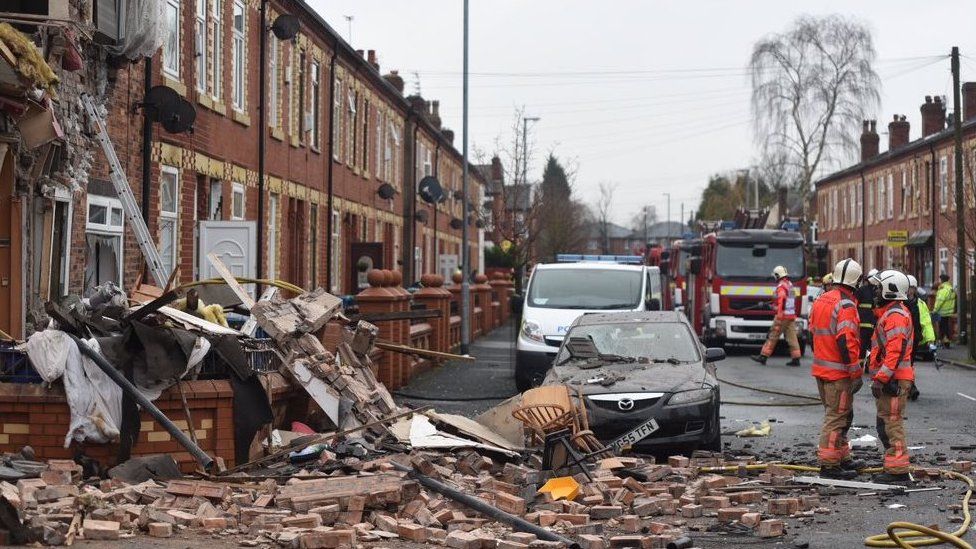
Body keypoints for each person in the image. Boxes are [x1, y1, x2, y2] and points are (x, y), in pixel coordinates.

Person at [810, 259, 864, 479]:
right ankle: (830, 465)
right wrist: (855, 372)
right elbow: (846, 341)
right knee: (836, 418)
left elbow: (813, 331)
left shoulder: (822, 299)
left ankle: (842, 457)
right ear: (856, 281)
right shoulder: (846, 305)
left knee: (841, 415)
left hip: (822, 370)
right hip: (838, 374)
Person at [867, 270, 916, 484]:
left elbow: (895, 352)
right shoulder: (891, 313)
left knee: (891, 425)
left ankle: (898, 471)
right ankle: (894, 465)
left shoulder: (895, 316)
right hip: (892, 378)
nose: (876, 291)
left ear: (890, 290)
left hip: (893, 380)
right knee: (885, 424)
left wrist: (881, 379)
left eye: (879, 288)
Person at [751, 266, 802, 367]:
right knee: (792, 337)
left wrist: (777, 312)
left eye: (775, 275)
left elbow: (782, 300)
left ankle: (763, 356)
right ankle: (796, 358)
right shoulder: (790, 285)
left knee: (773, 335)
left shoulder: (781, 286)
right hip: (791, 315)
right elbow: (790, 299)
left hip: (782, 316)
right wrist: (773, 304)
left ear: (778, 275)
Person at [905, 275, 936, 401]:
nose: (909, 290)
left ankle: (910, 386)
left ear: (915, 289)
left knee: (909, 363)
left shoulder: (920, 304)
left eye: (911, 288)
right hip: (902, 338)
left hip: (914, 338)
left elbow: (926, 322)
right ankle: (908, 386)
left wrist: (930, 339)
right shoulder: (900, 302)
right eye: (907, 287)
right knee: (904, 364)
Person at [855, 269, 879, 359]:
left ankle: (870, 363)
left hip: (875, 325)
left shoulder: (879, 292)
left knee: (873, 348)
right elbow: (855, 305)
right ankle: (861, 363)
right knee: (862, 347)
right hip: (863, 325)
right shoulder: (862, 290)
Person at [932, 273, 957, 348]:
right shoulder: (951, 288)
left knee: (942, 327)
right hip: (949, 311)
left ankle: (943, 342)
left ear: (942, 280)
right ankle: (946, 342)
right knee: (947, 326)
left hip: (942, 312)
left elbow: (940, 300)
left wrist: (935, 310)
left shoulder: (943, 289)